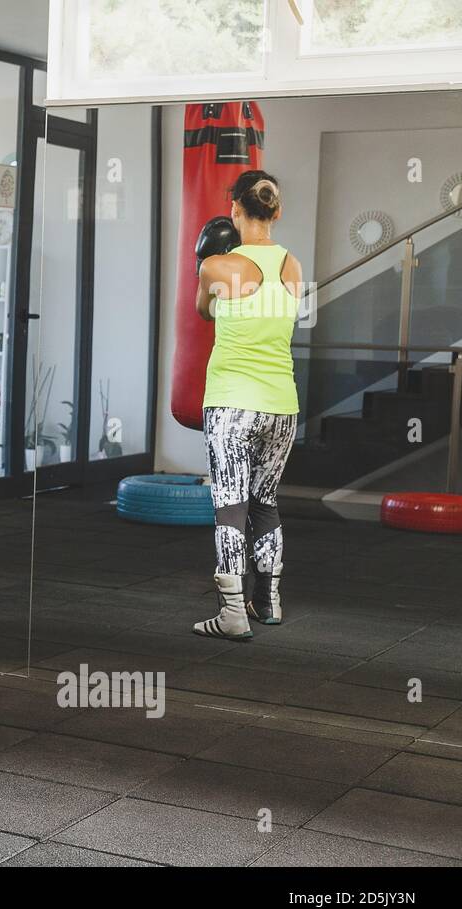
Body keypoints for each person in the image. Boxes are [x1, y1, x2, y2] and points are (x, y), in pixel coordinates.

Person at [193, 170, 303, 639]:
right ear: (276, 212)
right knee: (265, 502)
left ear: (235, 209)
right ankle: (269, 601)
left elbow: (203, 311)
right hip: (282, 404)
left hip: (232, 404)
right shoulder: (293, 265)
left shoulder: (217, 268)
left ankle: (233, 614)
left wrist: (209, 261)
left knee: (229, 506)